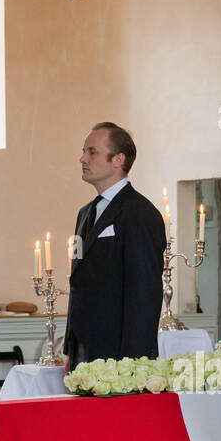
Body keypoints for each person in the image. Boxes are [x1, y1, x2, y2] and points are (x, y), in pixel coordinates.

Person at [63, 122, 165, 366]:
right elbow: (77, 283)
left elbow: (144, 294)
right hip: (84, 352)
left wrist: (133, 363)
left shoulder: (140, 213)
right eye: (84, 151)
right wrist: (70, 348)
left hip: (119, 355)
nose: (82, 158)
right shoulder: (85, 213)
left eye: (91, 152)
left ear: (118, 159)